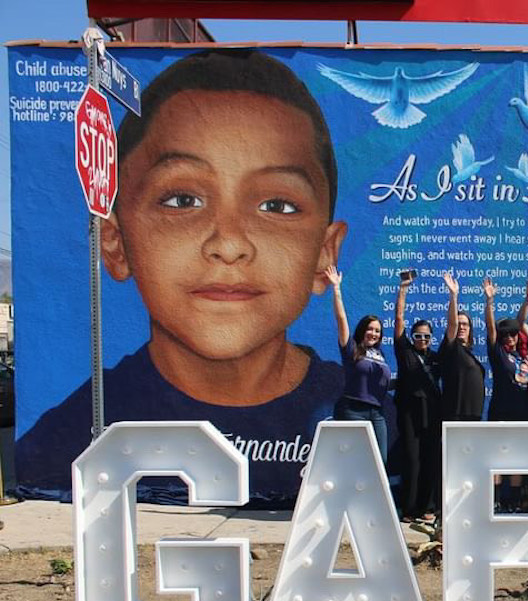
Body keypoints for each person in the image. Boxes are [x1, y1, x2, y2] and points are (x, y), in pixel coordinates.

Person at [16, 49, 347, 504]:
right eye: (182, 201)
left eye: (277, 205)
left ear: (325, 252)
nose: (228, 244)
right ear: (115, 242)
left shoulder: (358, 412)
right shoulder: (59, 443)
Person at [325, 266, 391, 460]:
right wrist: (336, 289)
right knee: (352, 461)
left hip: (376, 413)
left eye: (377, 331)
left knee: (379, 461)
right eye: (370, 329)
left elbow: (381, 383)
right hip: (352, 410)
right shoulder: (351, 347)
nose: (373, 333)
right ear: (362, 330)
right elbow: (341, 318)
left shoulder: (380, 354)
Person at [393, 274, 441, 522]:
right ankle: (409, 509)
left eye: (426, 336)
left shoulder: (435, 358)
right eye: (418, 336)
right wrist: (403, 290)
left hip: (432, 414)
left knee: (430, 460)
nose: (422, 340)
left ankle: (428, 508)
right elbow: (399, 319)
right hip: (409, 414)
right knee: (412, 460)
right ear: (412, 338)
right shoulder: (405, 352)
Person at [483, 277, 528, 421]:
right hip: (502, 414)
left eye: (512, 334)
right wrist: (489, 301)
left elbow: (519, 322)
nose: (509, 337)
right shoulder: (499, 353)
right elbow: (491, 327)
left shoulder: (524, 355)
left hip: (524, 414)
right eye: (505, 334)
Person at [440, 272, 485, 422]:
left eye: (465, 324)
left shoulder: (469, 353)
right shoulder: (452, 348)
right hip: (455, 415)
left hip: (473, 417)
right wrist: (454, 296)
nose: (461, 327)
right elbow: (452, 325)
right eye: (459, 324)